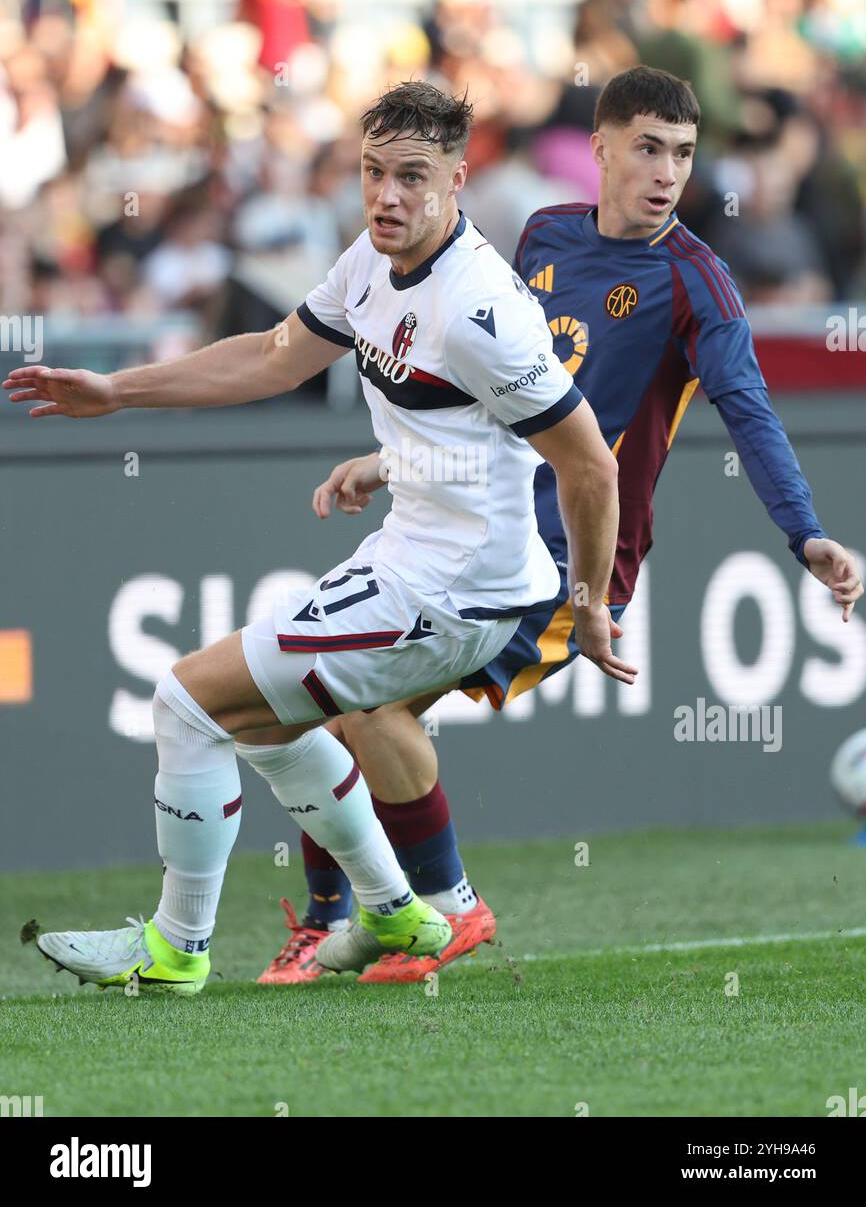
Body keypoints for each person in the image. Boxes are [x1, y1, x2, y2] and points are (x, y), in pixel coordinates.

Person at [4, 79, 630, 993]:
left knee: (187, 703)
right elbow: (271, 357)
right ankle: (399, 906)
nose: (387, 196)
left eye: (412, 178)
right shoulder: (371, 261)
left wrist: (591, 605)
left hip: (459, 589)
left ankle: (176, 948)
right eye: (374, 172)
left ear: (458, 180)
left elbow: (589, 466)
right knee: (264, 726)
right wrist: (117, 392)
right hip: (409, 557)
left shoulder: (480, 313)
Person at [258, 64, 863, 986]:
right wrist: (398, 461)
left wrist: (804, 532)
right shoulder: (543, 236)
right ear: (603, 150)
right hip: (480, 523)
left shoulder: (696, 281)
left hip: (568, 564)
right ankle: (350, 920)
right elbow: (498, 393)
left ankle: (439, 909)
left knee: (368, 706)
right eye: (649, 148)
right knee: (339, 703)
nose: (666, 172)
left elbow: (749, 409)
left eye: (683, 154)